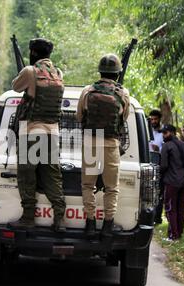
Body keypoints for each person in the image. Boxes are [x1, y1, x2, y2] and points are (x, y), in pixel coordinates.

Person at [11, 38, 67, 232]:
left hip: (32, 131)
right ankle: (59, 218)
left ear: (33, 53)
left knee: (27, 175)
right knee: (52, 176)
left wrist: (25, 70)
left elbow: (15, 87)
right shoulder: (58, 73)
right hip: (52, 133)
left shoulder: (30, 72)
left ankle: (28, 217)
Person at [77, 54, 130, 238]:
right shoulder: (122, 93)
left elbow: (79, 116)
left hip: (91, 140)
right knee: (111, 187)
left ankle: (90, 224)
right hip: (111, 143)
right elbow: (124, 117)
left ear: (100, 71)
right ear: (117, 73)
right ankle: (108, 226)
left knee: (88, 185)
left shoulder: (87, 90)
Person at [161, 124, 184, 241]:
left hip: (172, 182)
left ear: (172, 133)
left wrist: (160, 176)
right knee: (180, 208)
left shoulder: (167, 146)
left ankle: (173, 235)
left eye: (165, 133)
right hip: (183, 181)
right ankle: (179, 232)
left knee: (170, 208)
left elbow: (163, 165)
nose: (163, 135)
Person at [149, 109, 164, 224]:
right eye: (152, 119)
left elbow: (167, 149)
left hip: (158, 161)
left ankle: (157, 217)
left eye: (155, 119)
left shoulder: (163, 132)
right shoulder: (146, 130)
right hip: (146, 160)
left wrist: (159, 149)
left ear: (159, 120)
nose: (153, 121)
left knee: (157, 191)